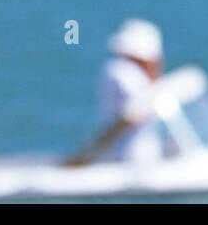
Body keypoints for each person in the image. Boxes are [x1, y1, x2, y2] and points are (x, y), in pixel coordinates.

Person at [67, 19, 165, 165]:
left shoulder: (122, 70)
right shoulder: (122, 71)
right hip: (130, 158)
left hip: (137, 156)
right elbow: (134, 113)